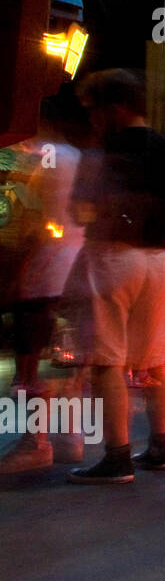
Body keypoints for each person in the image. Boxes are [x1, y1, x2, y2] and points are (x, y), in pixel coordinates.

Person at [65, 69, 165, 484]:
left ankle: (116, 457)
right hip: (162, 260)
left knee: (107, 359)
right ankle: (158, 448)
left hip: (115, 257)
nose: (92, 121)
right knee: (156, 360)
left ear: (113, 109)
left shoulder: (103, 151)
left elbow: (78, 210)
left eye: (94, 110)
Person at [0, 88, 88, 473]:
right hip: (77, 266)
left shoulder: (45, 156)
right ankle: (70, 440)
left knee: (31, 367)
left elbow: (31, 214)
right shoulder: (81, 157)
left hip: (47, 270)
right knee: (69, 362)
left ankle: (34, 443)